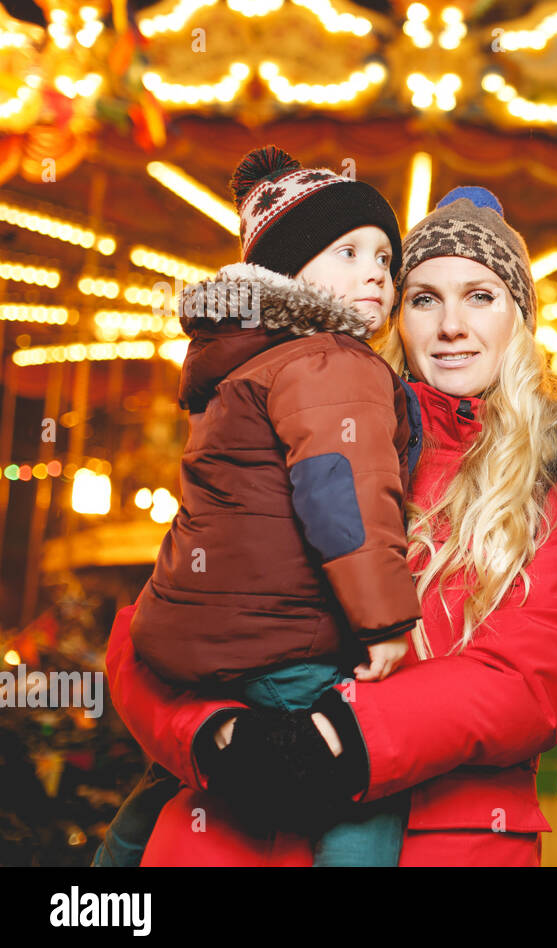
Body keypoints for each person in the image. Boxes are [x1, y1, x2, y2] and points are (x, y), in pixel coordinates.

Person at [101, 185, 557, 866]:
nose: (452, 325)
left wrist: (345, 735)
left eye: (481, 296)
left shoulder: (556, 483)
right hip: (227, 839)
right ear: (393, 314)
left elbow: (528, 679)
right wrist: (215, 736)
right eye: (424, 298)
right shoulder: (315, 438)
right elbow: (155, 631)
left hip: (439, 842)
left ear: (520, 318)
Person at [96, 146, 418, 866]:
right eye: (348, 251)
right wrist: (385, 619)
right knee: (368, 785)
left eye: (386, 259)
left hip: (191, 636)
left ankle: (111, 872)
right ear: (289, 272)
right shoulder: (332, 360)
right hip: (279, 639)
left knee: (177, 782)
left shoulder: (240, 360)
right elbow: (344, 494)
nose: (376, 271)